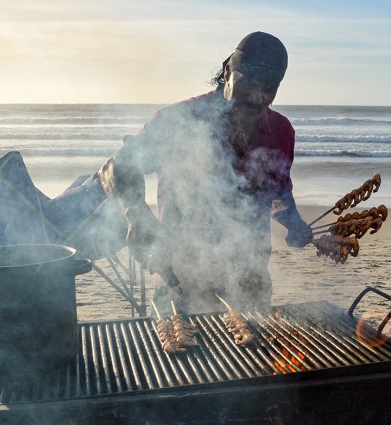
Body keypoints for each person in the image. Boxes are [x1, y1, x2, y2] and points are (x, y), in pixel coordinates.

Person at [97, 31, 313, 315]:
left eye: (269, 88)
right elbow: (115, 168)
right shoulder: (178, 121)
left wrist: (294, 223)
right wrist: (135, 215)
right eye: (247, 83)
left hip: (250, 278)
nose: (256, 97)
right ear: (228, 71)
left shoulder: (282, 131)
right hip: (182, 278)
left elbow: (277, 193)